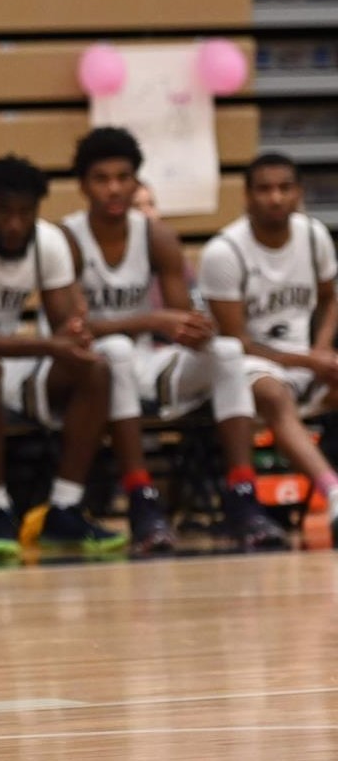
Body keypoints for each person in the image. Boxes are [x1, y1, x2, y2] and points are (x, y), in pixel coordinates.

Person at [63, 128, 286, 551]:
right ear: (83, 185)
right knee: (117, 350)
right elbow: (76, 329)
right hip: (85, 371)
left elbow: (180, 326)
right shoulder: (68, 239)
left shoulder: (156, 236)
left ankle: (243, 496)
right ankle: (141, 499)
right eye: (101, 178)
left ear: (136, 182)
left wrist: (198, 329)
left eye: (123, 177)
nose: (113, 188)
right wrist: (152, 317)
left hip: (149, 361)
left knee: (227, 350)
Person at [0, 156, 128, 555]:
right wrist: (49, 344)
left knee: (94, 369)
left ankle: (65, 504)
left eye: (25, 213)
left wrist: (73, 334)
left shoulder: (49, 242)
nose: (14, 224)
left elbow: (62, 329)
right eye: (5, 212)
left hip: (17, 362)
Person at [199, 153, 338, 543]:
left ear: (299, 194)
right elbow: (235, 340)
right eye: (264, 189)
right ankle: (333, 492)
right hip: (242, 367)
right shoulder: (224, 252)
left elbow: (330, 298)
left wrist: (322, 352)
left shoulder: (314, 237)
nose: (275, 198)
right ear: (246, 196)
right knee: (274, 395)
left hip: (303, 358)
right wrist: (309, 360)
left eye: (284, 188)